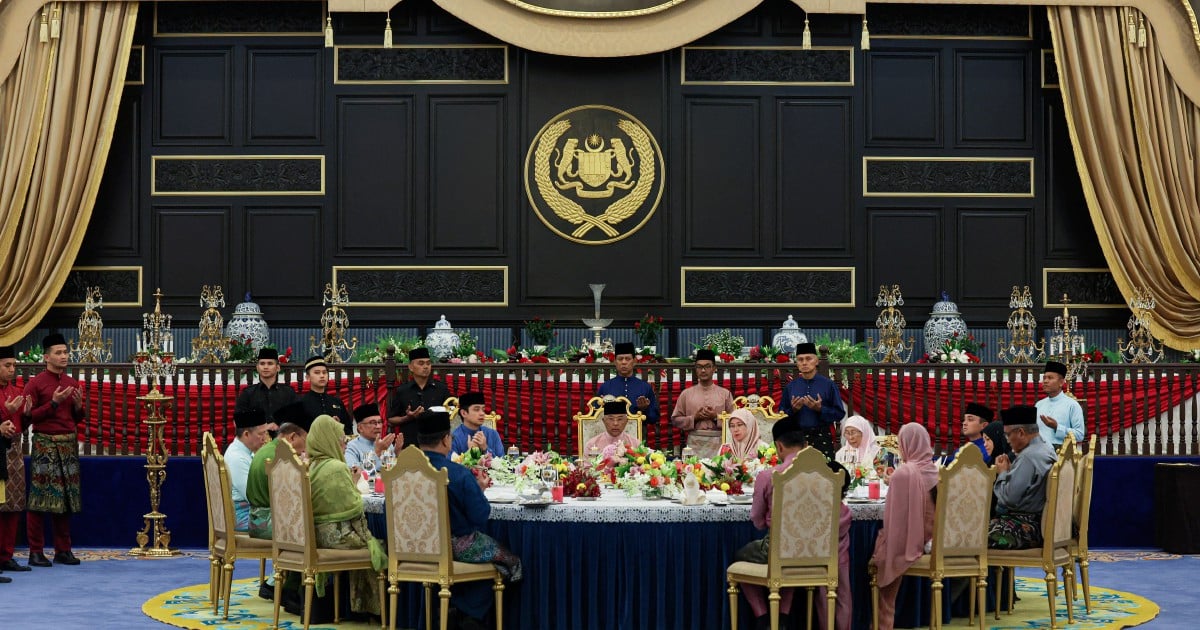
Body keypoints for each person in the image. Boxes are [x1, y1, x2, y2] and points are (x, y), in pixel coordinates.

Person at [417, 409, 521, 630]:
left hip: (414, 547)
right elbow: (480, 515)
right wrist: (479, 490)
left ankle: (452, 610)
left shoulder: (401, 471)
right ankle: (471, 615)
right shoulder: (455, 472)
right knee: (509, 561)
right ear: (446, 440)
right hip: (456, 546)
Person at [734, 417, 811, 630]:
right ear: (805, 445)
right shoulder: (824, 473)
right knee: (787, 558)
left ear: (778, 446)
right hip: (816, 550)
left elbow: (757, 521)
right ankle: (784, 617)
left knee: (743, 555)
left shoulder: (769, 476)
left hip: (779, 547)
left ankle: (762, 618)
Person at [307, 415, 386, 617]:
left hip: (316, 535)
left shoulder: (312, 465)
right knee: (383, 544)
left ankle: (352, 608)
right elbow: (353, 507)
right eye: (340, 439)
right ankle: (373, 610)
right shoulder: (335, 467)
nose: (344, 443)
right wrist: (355, 487)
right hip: (336, 536)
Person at [22, 334, 87, 567]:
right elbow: (27, 417)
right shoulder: (36, 383)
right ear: (46, 357)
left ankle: (63, 550)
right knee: (39, 500)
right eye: (58, 353)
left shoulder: (71, 383)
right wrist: (54, 403)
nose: (63, 356)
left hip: (68, 444)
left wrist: (79, 407)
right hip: (45, 444)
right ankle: (36, 551)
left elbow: (76, 418)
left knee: (66, 500)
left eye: (65, 352)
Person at [870, 423, 939, 630]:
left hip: (912, 543)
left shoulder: (904, 473)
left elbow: (895, 524)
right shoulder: (935, 470)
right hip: (934, 543)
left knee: (879, 555)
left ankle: (880, 623)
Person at [989, 405, 1059, 550]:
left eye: (1008, 435)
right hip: (1044, 527)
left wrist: (1002, 473)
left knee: (966, 536)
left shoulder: (1028, 457)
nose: (1007, 441)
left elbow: (1008, 499)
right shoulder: (1047, 449)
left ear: (1020, 432)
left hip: (1024, 528)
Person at [246, 401, 313, 541]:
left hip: (256, 521)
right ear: (293, 437)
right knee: (319, 529)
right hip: (270, 524)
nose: (307, 447)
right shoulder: (280, 457)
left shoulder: (269, 449)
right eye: (306, 440)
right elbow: (295, 498)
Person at [779, 342, 845, 460]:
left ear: (816, 361)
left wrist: (820, 409)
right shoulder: (791, 387)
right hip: (796, 440)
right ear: (797, 363)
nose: (804, 362)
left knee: (823, 475)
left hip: (822, 437)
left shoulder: (828, 385)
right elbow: (781, 414)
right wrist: (793, 410)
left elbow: (839, 413)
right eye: (800, 359)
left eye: (808, 359)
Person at [0, 346, 31, 580]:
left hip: (15, 452)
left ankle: (6, 556)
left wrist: (27, 414)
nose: (12, 370)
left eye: (13, 365)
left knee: (14, 505)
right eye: (7, 365)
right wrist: (5, 413)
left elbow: (20, 425)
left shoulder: (16, 391)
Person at [670, 349, 735, 457]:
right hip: (694, 444)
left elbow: (734, 421)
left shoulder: (725, 394)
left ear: (714, 368)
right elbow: (675, 420)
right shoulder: (686, 394)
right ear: (695, 369)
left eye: (707, 366)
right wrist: (694, 418)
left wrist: (715, 417)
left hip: (719, 444)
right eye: (699, 367)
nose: (703, 370)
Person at [386, 347, 452, 451]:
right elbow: (391, 420)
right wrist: (408, 417)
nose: (425, 367)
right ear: (411, 367)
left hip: (436, 445)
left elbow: (451, 413)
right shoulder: (402, 390)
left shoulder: (441, 389)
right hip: (410, 444)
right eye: (421, 364)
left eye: (428, 363)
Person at [225, 408, 270, 532]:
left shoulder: (245, 452)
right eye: (261, 434)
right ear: (246, 434)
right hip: (245, 518)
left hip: (252, 513)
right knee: (291, 527)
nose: (265, 438)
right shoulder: (237, 458)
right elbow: (254, 497)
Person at [234, 347, 297, 431]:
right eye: (262, 363)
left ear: (278, 368)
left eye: (270, 363)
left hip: (282, 440)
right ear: (257, 367)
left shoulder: (289, 392)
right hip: (256, 441)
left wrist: (279, 426)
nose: (265, 367)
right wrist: (262, 427)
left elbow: (298, 418)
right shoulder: (248, 393)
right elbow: (237, 421)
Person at [597, 342, 660, 423]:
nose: (624, 362)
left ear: (634, 361)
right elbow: (597, 418)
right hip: (613, 433)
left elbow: (654, 419)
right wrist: (604, 408)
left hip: (638, 433)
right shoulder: (606, 387)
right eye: (620, 359)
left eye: (627, 359)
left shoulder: (645, 387)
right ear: (615, 362)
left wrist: (644, 409)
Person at [1036, 360, 1086, 450]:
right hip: (1039, 452)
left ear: (1061, 382)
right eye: (1044, 378)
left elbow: (1079, 435)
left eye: (1050, 378)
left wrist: (1057, 427)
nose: (1045, 381)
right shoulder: (1039, 405)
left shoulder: (1072, 405)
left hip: (1062, 453)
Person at [299, 356, 353, 435]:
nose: (322, 376)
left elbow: (349, 431)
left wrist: (338, 426)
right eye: (317, 373)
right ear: (308, 377)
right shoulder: (301, 403)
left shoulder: (336, 402)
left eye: (324, 372)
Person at [344, 403, 398, 474]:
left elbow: (391, 470)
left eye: (379, 422)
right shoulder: (351, 447)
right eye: (373, 423)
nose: (378, 426)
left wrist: (397, 452)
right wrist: (377, 453)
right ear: (360, 428)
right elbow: (354, 472)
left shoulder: (385, 443)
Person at [450, 392, 504, 457]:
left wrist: (485, 449)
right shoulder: (453, 438)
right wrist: (470, 453)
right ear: (464, 413)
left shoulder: (492, 434)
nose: (482, 413)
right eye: (476, 409)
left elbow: (502, 462)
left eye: (483, 409)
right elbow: (451, 465)